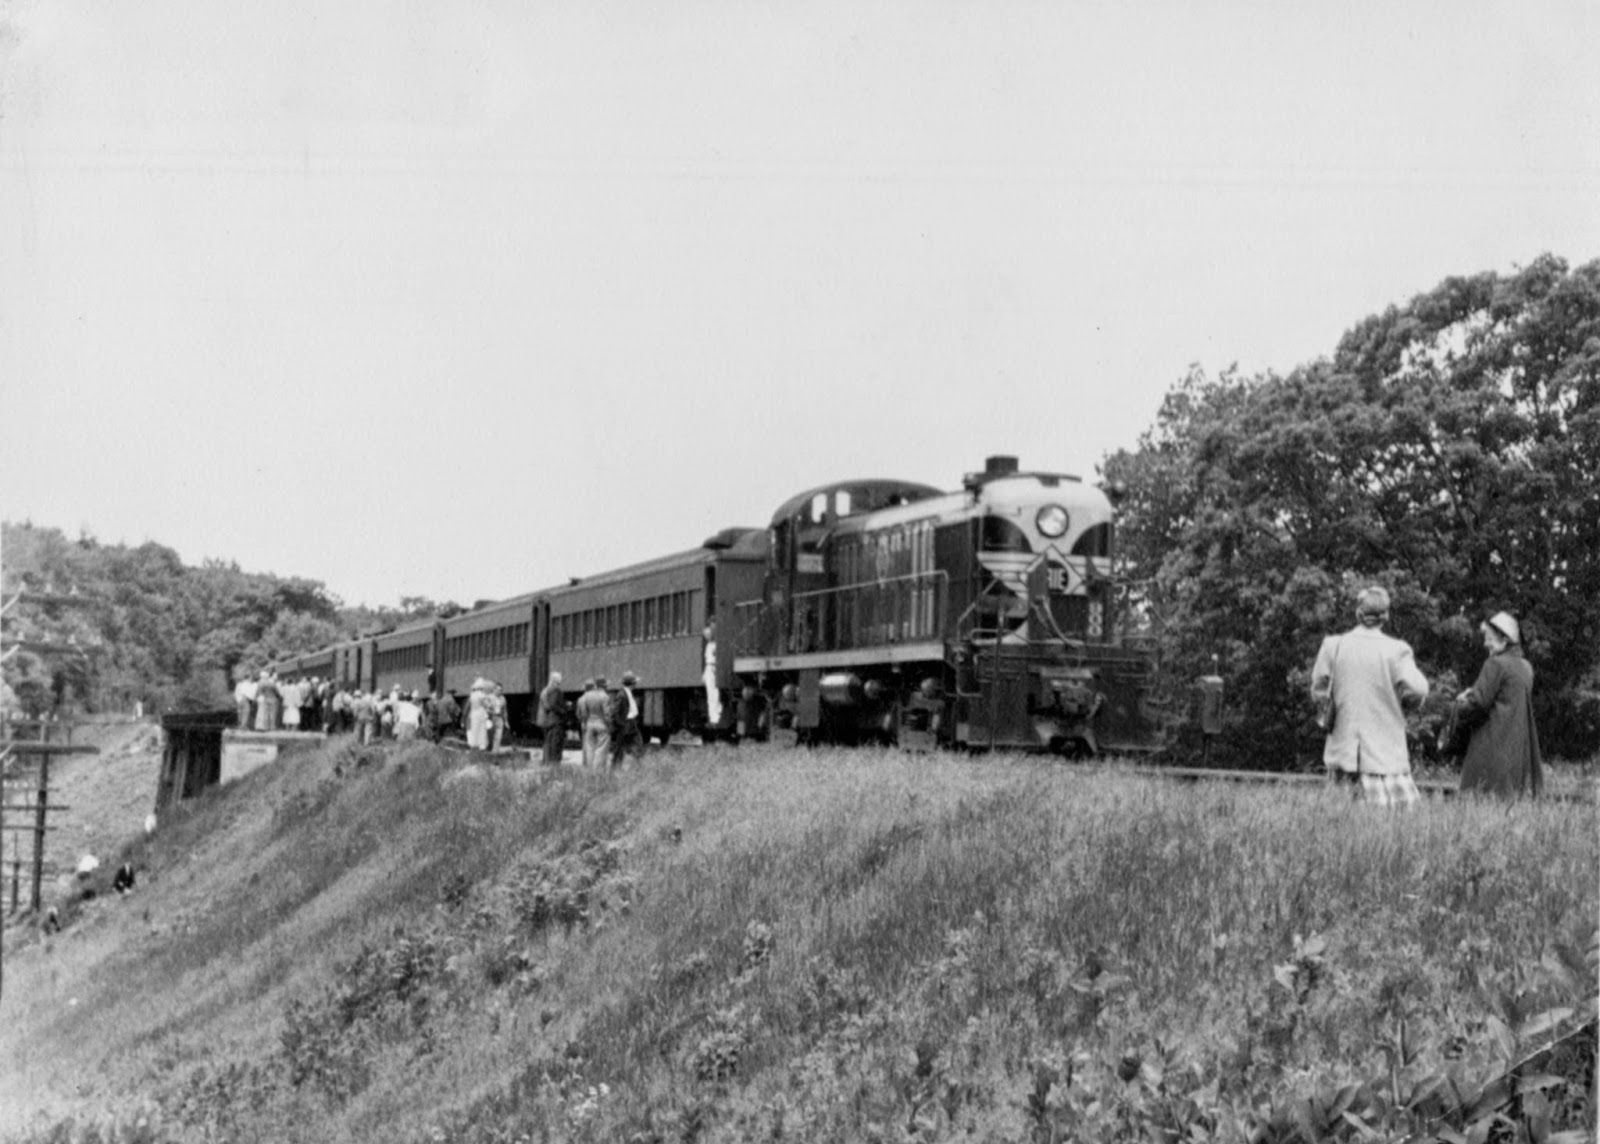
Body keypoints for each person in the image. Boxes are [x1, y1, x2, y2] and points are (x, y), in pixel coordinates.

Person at [1309, 586, 1430, 808]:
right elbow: (1419, 690)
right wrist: (1403, 702)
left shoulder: (1333, 646)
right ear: (1386, 616)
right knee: (1390, 834)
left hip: (1344, 754)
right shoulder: (1397, 650)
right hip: (1385, 759)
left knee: (1337, 828)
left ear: (1358, 613)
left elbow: (1318, 690)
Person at [1456, 612, 1543, 797]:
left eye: (1489, 638)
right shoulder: (1526, 667)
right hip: (1518, 746)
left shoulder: (1495, 664)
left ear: (1504, 640)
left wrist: (1461, 704)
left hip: (1492, 743)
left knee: (1479, 800)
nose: (1485, 643)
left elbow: (1478, 703)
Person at [576, 677, 612, 769]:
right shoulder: (604, 696)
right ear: (605, 686)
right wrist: (610, 725)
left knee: (590, 748)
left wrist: (584, 722)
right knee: (601, 748)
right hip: (601, 724)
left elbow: (582, 713)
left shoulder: (586, 697)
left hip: (589, 723)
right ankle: (597, 770)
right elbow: (607, 714)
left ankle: (589, 768)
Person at [612, 671, 644, 765]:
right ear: (633, 684)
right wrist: (621, 724)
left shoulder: (627, 693)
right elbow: (616, 712)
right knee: (620, 747)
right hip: (626, 724)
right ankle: (615, 768)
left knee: (637, 744)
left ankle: (636, 765)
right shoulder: (622, 695)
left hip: (631, 723)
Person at [537, 672, 567, 765]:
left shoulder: (545, 690)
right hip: (551, 719)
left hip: (546, 719)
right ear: (555, 680)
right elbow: (551, 705)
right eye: (559, 680)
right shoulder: (554, 691)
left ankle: (546, 761)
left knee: (547, 741)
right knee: (553, 741)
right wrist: (563, 710)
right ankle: (552, 762)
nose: (560, 682)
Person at [466, 680, 491, 750]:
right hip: (481, 713)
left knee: (474, 728)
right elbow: (487, 705)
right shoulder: (482, 695)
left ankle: (473, 744)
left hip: (473, 713)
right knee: (482, 729)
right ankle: (482, 745)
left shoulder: (472, 695)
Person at [487, 683, 509, 752]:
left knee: (498, 736)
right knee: (490, 735)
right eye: (498, 690)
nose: (500, 691)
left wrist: (506, 721)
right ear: (494, 689)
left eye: (501, 690)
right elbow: (486, 708)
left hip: (499, 718)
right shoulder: (489, 697)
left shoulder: (503, 699)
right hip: (491, 717)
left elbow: (504, 710)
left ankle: (495, 752)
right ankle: (489, 749)